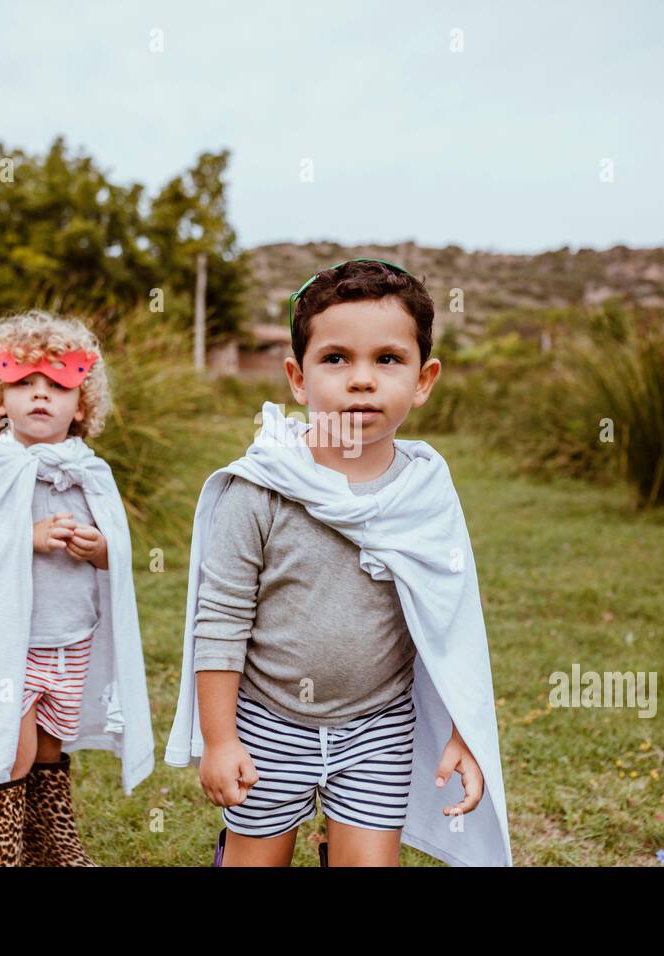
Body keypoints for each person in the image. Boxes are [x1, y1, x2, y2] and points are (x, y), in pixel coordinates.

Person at [166, 259, 511, 866]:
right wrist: (220, 741)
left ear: (424, 378)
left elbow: (453, 617)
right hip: (270, 718)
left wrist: (464, 731)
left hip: (377, 726)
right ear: (298, 379)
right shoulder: (262, 489)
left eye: (387, 359)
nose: (361, 380)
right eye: (336, 359)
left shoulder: (424, 492)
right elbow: (219, 620)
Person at [0, 309, 153, 866]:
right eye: (24, 384)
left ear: (80, 404)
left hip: (70, 635)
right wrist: (25, 536)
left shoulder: (89, 470)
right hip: (14, 641)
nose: (40, 396)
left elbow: (119, 549)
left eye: (56, 386)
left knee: (50, 748)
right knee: (13, 746)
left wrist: (100, 549)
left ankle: (51, 843)